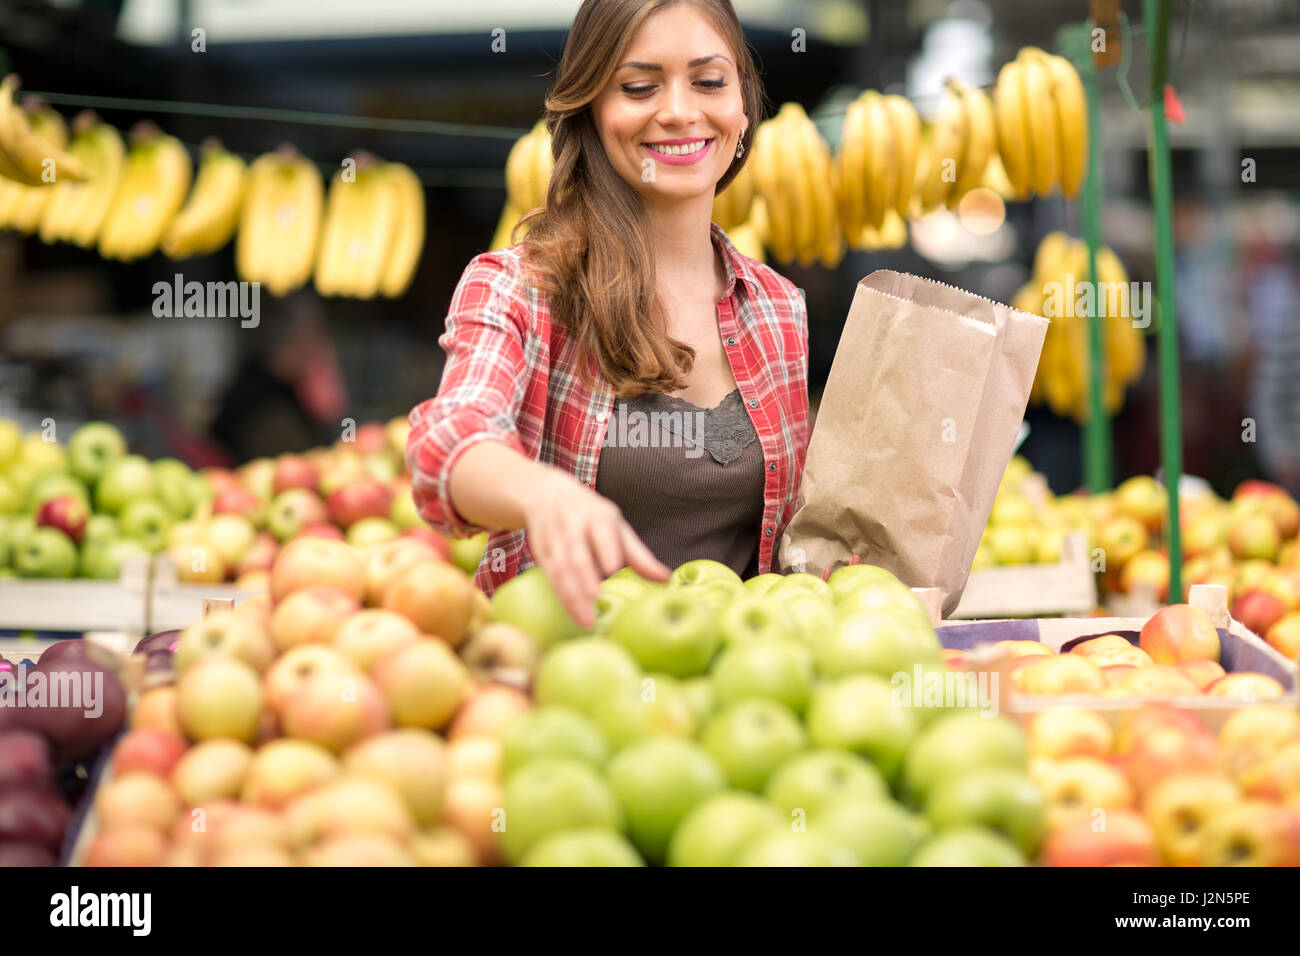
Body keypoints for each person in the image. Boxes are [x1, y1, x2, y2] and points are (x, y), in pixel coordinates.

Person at [406, 0, 809, 627]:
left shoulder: (779, 308)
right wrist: (541, 494)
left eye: (709, 81)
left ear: (744, 105)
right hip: (569, 689)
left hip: (740, 685)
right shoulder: (522, 287)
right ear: (592, 108)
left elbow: (788, 543)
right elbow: (445, 446)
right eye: (639, 87)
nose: (679, 111)